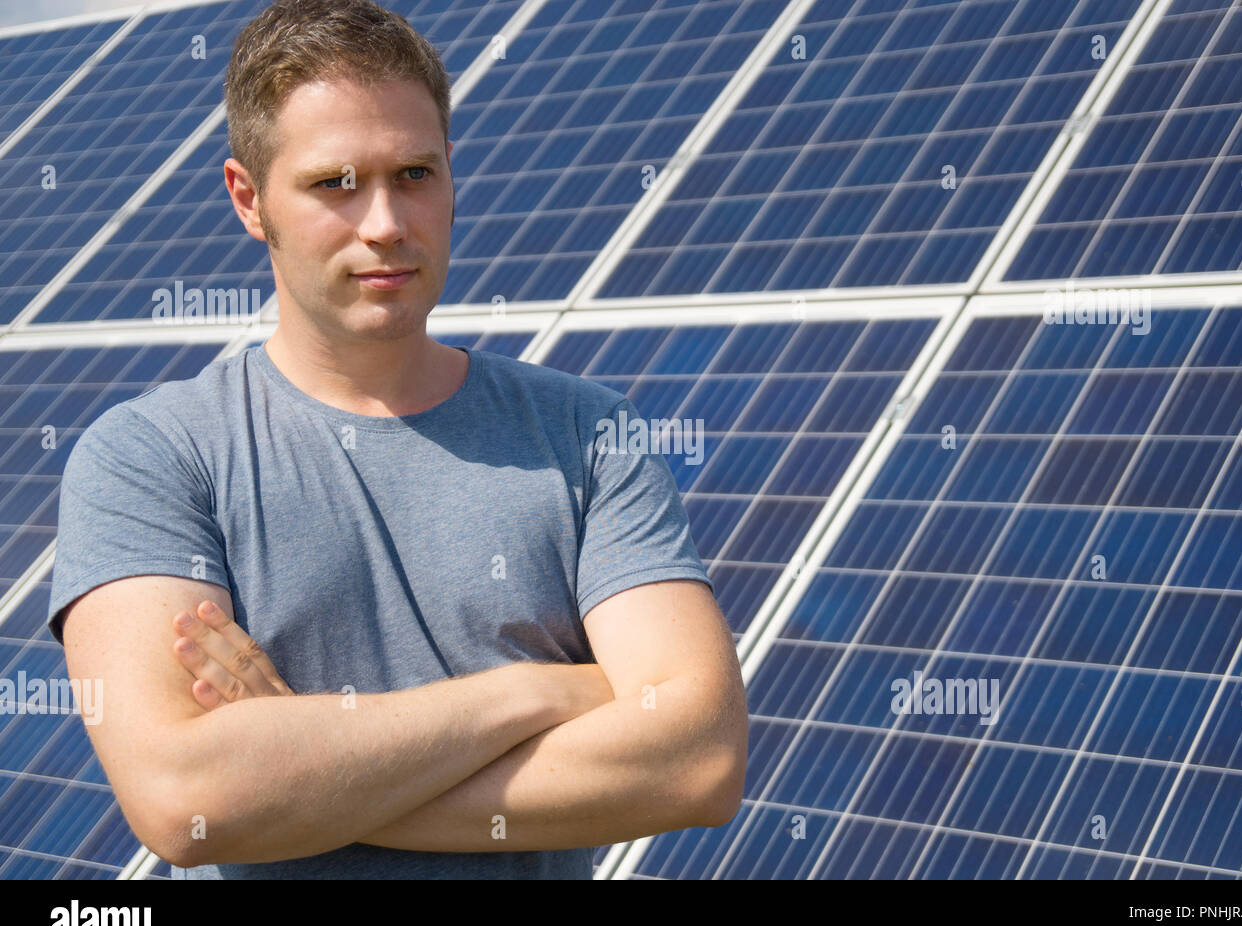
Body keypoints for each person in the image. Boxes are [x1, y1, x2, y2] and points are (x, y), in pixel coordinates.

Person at [47, 0, 747, 879]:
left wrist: (310, 771)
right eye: (334, 183)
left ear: (452, 173)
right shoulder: (152, 456)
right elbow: (189, 803)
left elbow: (699, 761)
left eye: (414, 174)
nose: (384, 222)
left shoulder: (587, 435)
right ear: (247, 199)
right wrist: (545, 690)